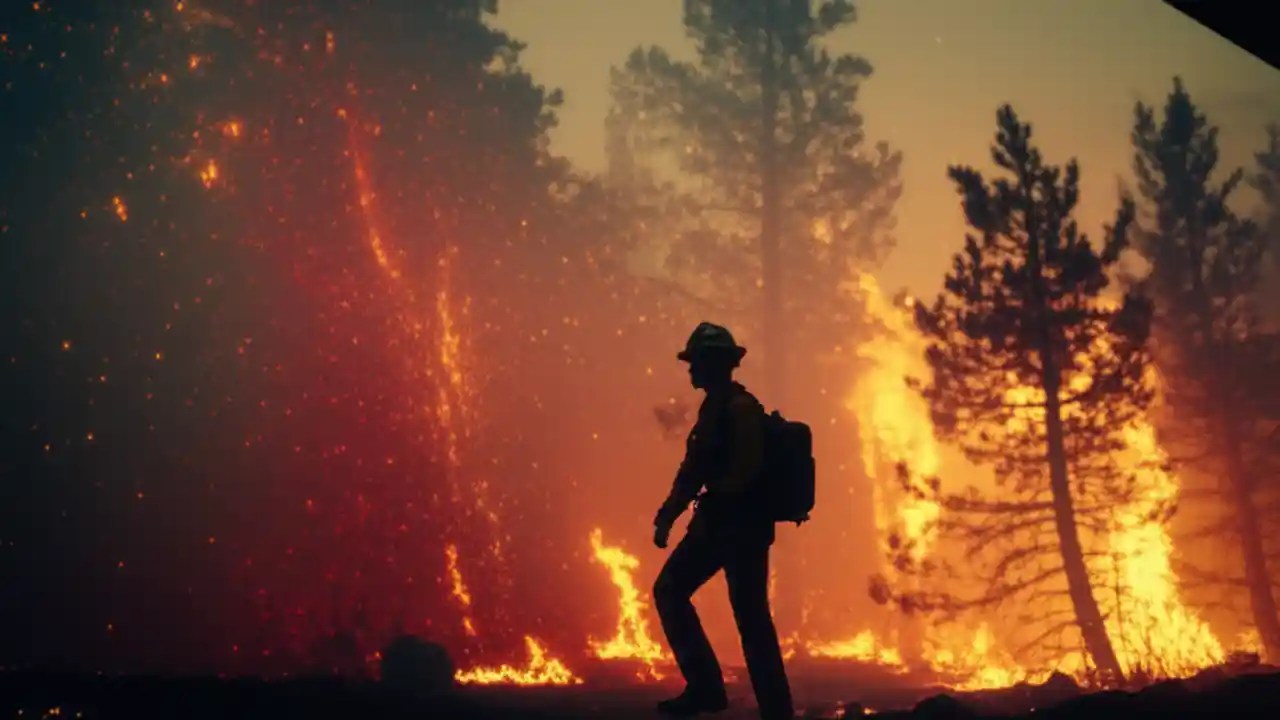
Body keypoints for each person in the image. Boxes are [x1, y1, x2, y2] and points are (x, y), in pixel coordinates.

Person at [652, 322, 793, 719]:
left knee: (733, 612)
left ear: (714, 364)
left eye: (696, 361)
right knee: (740, 614)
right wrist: (668, 516)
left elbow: (739, 471)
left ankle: (720, 694)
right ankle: (718, 693)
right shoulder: (716, 407)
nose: (691, 370)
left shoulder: (738, 410)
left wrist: (710, 507)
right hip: (731, 528)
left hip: (734, 530)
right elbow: (695, 469)